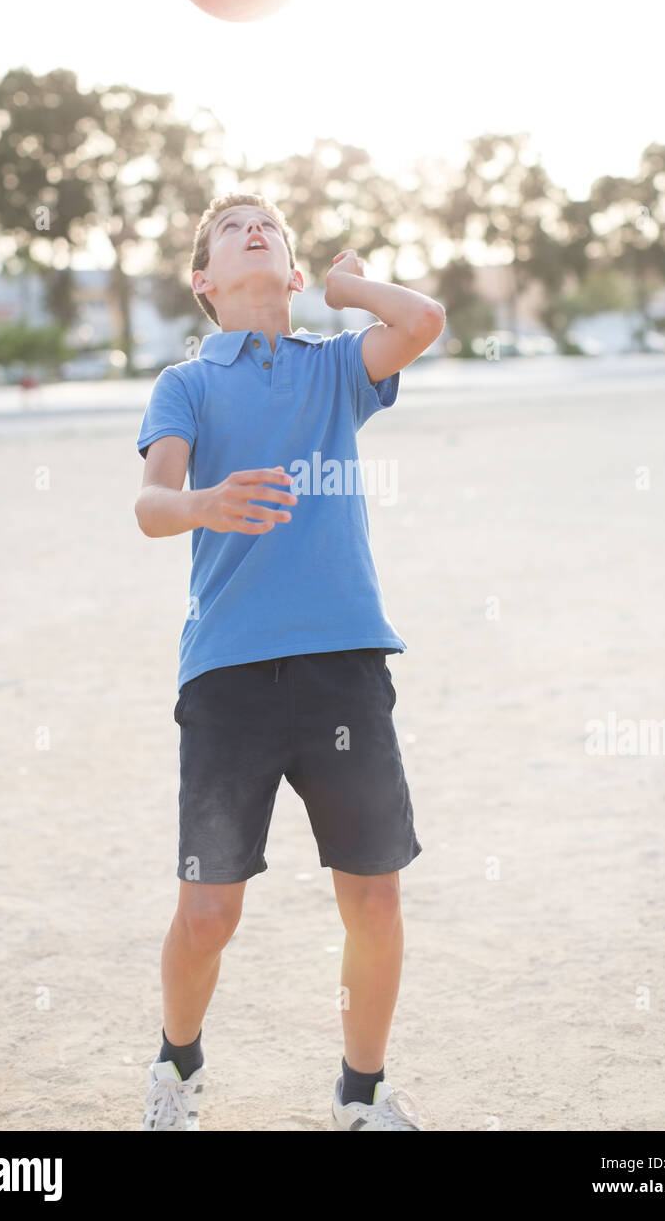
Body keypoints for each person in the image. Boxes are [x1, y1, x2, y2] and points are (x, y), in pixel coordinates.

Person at [134, 193, 444, 1131]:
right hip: (227, 677)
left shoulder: (337, 369)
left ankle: (362, 1094)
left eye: (269, 224)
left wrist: (349, 288)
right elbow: (152, 504)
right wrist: (205, 502)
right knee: (207, 915)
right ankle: (177, 1069)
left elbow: (422, 320)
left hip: (345, 667)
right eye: (231, 229)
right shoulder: (184, 385)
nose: (254, 230)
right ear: (205, 280)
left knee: (374, 898)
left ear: (296, 272)